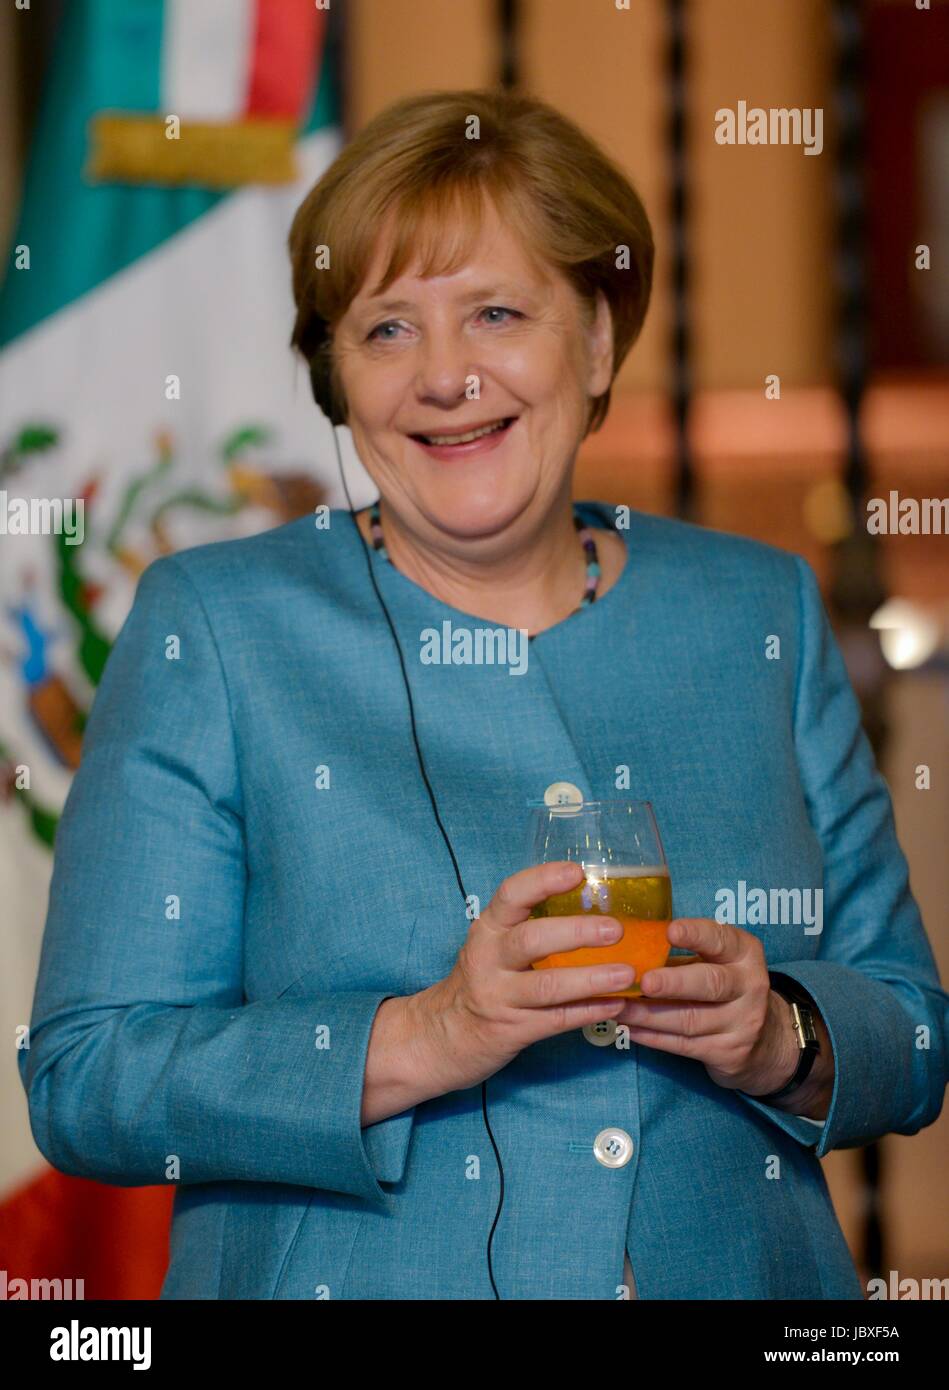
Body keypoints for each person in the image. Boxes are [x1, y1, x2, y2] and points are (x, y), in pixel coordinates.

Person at [21, 88, 947, 1300]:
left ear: (599, 339)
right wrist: (428, 1034)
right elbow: (88, 1081)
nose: (445, 376)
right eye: (387, 329)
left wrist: (780, 1033)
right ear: (335, 378)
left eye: (496, 313)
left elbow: (912, 1031)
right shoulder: (218, 624)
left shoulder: (753, 609)